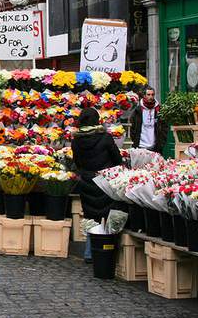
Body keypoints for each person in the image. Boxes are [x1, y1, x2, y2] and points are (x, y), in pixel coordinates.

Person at [71, 107, 124, 262]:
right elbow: (117, 159)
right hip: (104, 181)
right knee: (106, 214)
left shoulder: (76, 141)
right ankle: (106, 250)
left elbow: (77, 163)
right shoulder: (105, 138)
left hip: (87, 182)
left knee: (90, 216)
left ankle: (89, 252)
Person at [129, 85, 167, 153]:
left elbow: (164, 126)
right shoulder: (138, 110)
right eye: (148, 94)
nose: (151, 97)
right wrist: (135, 140)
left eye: (152, 95)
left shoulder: (158, 110)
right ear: (144, 96)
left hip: (155, 146)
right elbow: (133, 126)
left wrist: (162, 142)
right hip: (140, 145)